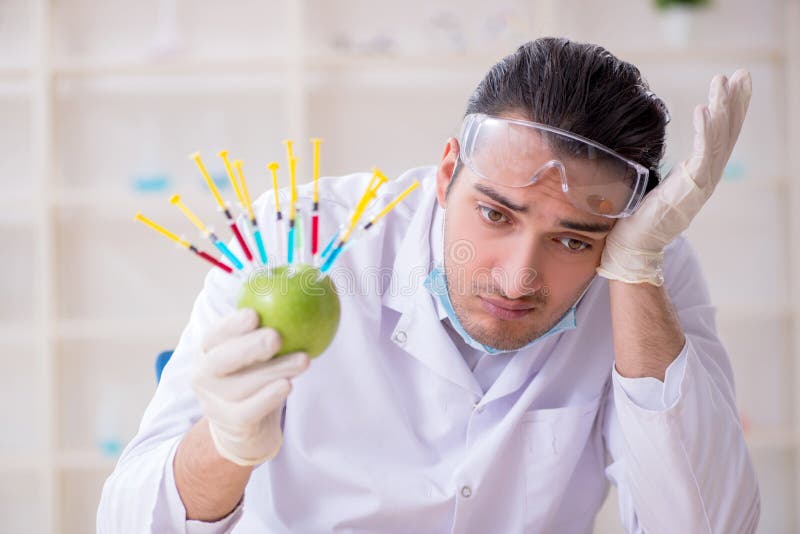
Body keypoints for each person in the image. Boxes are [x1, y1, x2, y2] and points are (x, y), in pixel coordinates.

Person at [98, 37, 758, 533]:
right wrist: (226, 444)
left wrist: (635, 271)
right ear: (447, 173)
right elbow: (128, 521)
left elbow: (713, 526)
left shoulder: (645, 271)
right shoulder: (292, 240)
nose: (517, 278)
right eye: (496, 215)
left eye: (572, 240)